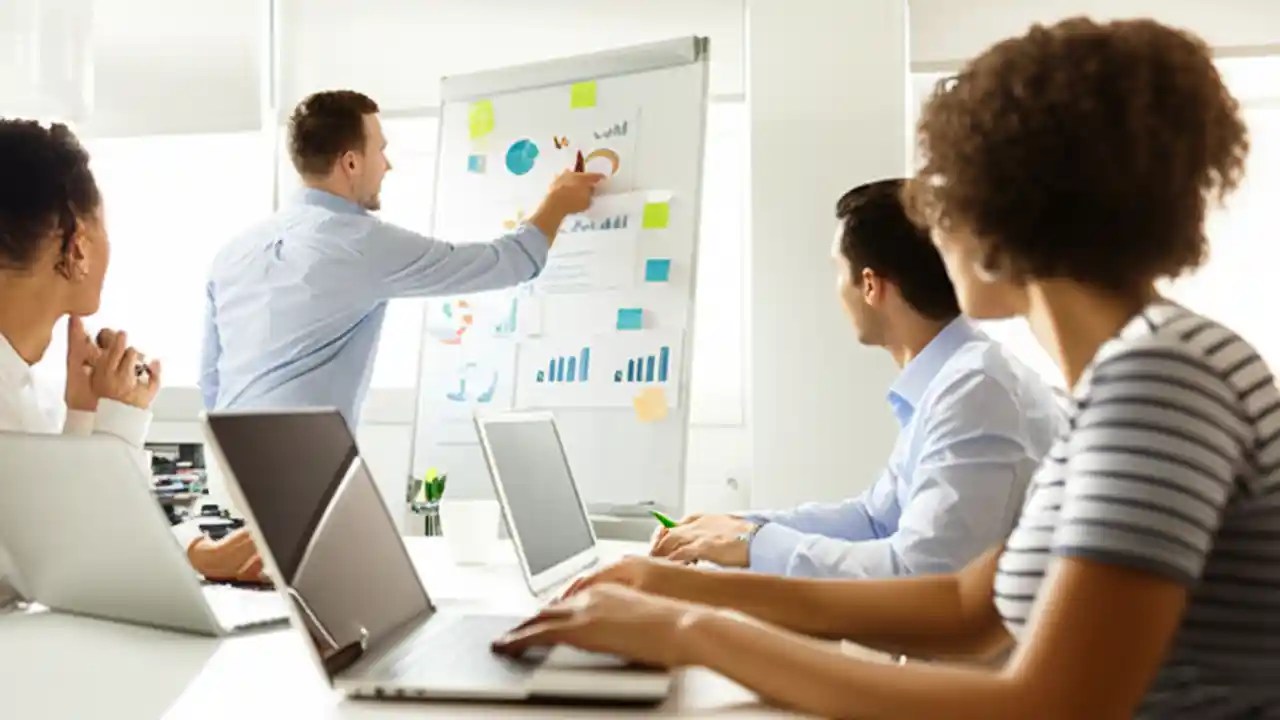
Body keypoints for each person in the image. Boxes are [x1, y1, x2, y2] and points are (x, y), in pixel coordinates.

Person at [492, 18, 1280, 718]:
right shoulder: (1134, 373)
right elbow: (967, 606)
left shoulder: (1158, 382)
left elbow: (1049, 703)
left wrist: (697, 631)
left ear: (1005, 207)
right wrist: (676, 587)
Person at [651, 179, 1061, 578]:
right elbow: (874, 519)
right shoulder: (955, 377)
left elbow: (919, 576)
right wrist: (735, 525)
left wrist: (751, 543)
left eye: (837, 270)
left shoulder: (976, 389)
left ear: (870, 285)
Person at [201, 90, 602, 426]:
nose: (387, 165)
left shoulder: (234, 251)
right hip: (303, 474)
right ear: (351, 163)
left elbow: (211, 380)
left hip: (232, 467)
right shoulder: (359, 243)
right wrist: (558, 203)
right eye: (381, 149)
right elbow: (507, 262)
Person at [0, 119, 264, 605]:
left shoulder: (20, 384)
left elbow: (51, 533)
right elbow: (63, 573)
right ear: (77, 244)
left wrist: (85, 414)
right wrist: (115, 424)